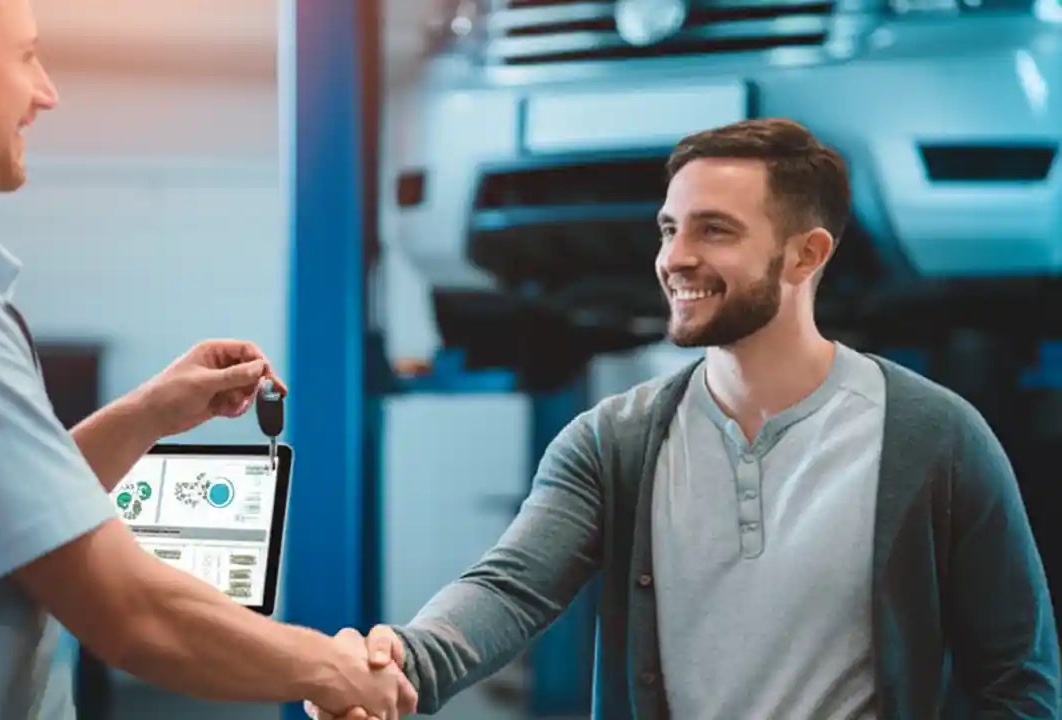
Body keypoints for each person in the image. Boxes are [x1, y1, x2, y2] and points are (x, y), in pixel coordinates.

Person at [0, 0, 416, 718]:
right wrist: (328, 666)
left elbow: (2, 521)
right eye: (25, 56)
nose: (45, 92)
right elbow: (131, 613)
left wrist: (147, 414)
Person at [308, 118, 1061, 719]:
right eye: (670, 229)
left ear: (806, 255)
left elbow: (1020, 682)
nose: (675, 258)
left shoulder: (936, 437)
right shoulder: (615, 441)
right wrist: (404, 663)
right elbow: (510, 588)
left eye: (714, 230)